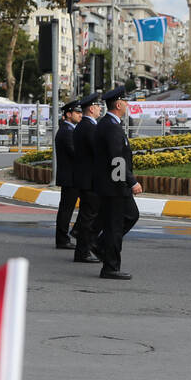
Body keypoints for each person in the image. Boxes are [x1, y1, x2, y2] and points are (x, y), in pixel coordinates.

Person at [91, 86, 141, 280]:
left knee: (130, 215)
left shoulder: (109, 124)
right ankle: (110, 266)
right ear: (118, 104)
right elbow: (116, 158)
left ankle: (99, 245)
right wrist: (131, 182)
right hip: (115, 185)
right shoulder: (111, 126)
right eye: (126, 102)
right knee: (115, 226)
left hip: (112, 183)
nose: (127, 105)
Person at [71, 93, 102, 264]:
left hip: (85, 178)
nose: (99, 109)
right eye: (97, 106)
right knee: (88, 217)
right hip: (89, 179)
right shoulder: (89, 127)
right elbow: (97, 152)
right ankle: (83, 251)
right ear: (91, 108)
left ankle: (83, 248)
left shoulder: (83, 125)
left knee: (87, 215)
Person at [53, 100, 81, 250]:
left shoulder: (69, 130)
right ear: (68, 114)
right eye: (77, 113)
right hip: (70, 176)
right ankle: (63, 238)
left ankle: (66, 236)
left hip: (70, 176)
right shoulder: (67, 131)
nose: (80, 115)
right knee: (66, 209)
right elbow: (75, 153)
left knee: (67, 208)